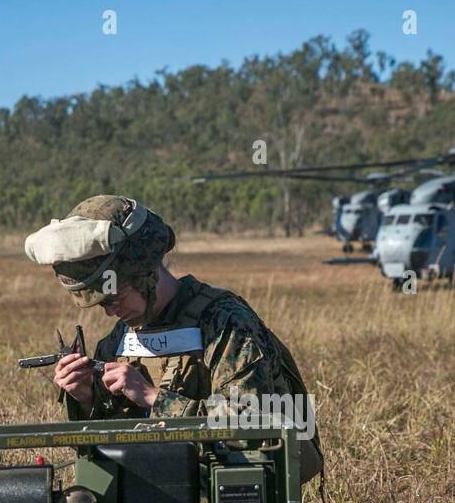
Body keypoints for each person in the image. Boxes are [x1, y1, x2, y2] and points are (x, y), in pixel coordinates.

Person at [23, 194, 322, 482]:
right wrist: (85, 397)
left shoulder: (226, 323)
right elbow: (104, 451)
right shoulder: (118, 339)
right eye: (102, 304)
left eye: (115, 298)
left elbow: (251, 429)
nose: (110, 313)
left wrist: (153, 398)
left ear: (146, 275)